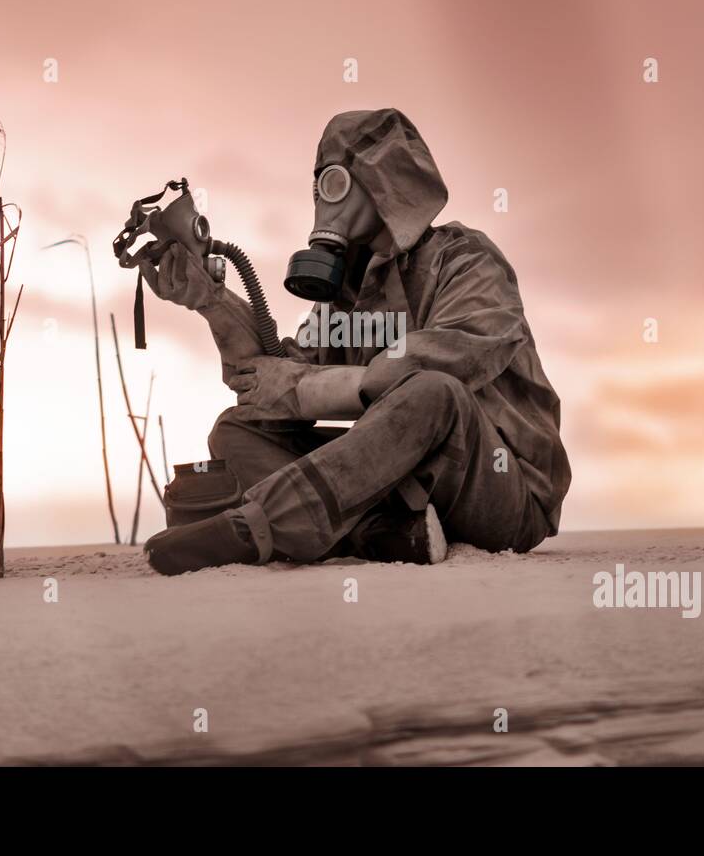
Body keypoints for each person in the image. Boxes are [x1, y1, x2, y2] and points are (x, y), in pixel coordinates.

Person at [135, 108, 570, 575]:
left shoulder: (465, 258)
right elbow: (270, 383)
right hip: (405, 490)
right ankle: (379, 534)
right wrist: (213, 300)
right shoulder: (348, 291)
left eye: (337, 181)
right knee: (237, 428)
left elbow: (452, 359)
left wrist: (303, 386)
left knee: (433, 392)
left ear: (387, 181)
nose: (326, 198)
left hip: (502, 489)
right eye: (320, 182)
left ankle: (255, 526)